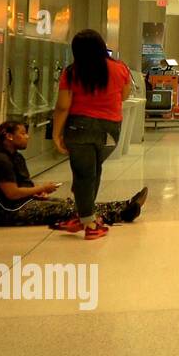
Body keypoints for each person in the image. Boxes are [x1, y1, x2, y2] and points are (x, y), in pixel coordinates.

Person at [51, 30, 134, 240]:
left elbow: (62, 106)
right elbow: (124, 95)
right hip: (110, 130)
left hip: (79, 129)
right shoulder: (120, 68)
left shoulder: (71, 72)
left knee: (83, 174)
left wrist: (56, 133)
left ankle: (89, 223)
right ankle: (84, 217)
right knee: (93, 171)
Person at [0, 121, 146, 228]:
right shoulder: (1, 160)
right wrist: (41, 188)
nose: (27, 137)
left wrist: (37, 191)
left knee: (70, 204)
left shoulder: (15, 156)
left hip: (23, 201)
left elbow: (20, 185)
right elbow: (12, 194)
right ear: (9, 136)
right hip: (12, 210)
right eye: (22, 134)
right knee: (69, 210)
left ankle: (124, 206)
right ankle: (122, 211)